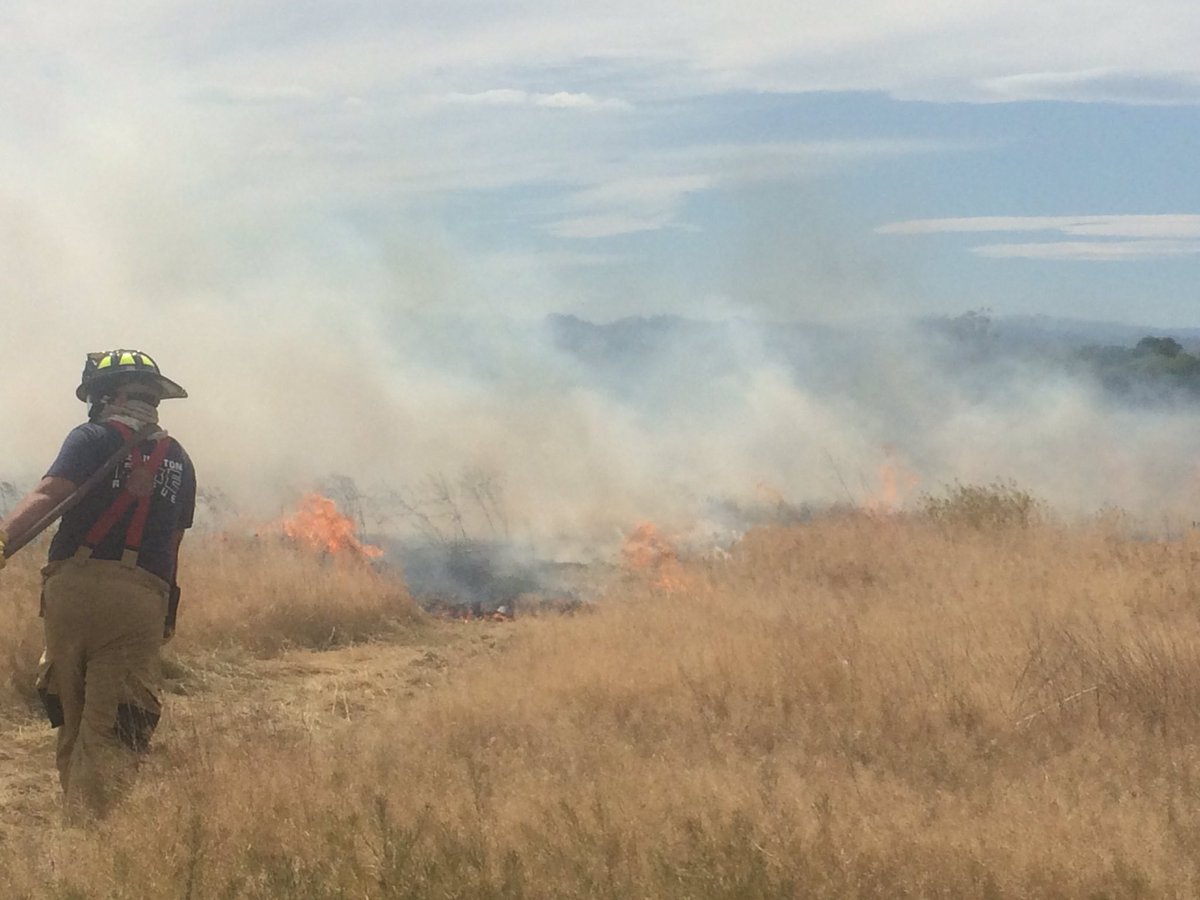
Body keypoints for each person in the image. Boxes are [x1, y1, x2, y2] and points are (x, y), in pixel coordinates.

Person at [0, 350, 195, 821]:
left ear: (109, 396)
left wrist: (3, 542)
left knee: (72, 714)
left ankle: (75, 823)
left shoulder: (91, 435)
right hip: (140, 600)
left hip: (71, 589)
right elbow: (171, 546)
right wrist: (165, 612)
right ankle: (91, 842)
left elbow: (49, 495)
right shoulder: (181, 461)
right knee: (112, 726)